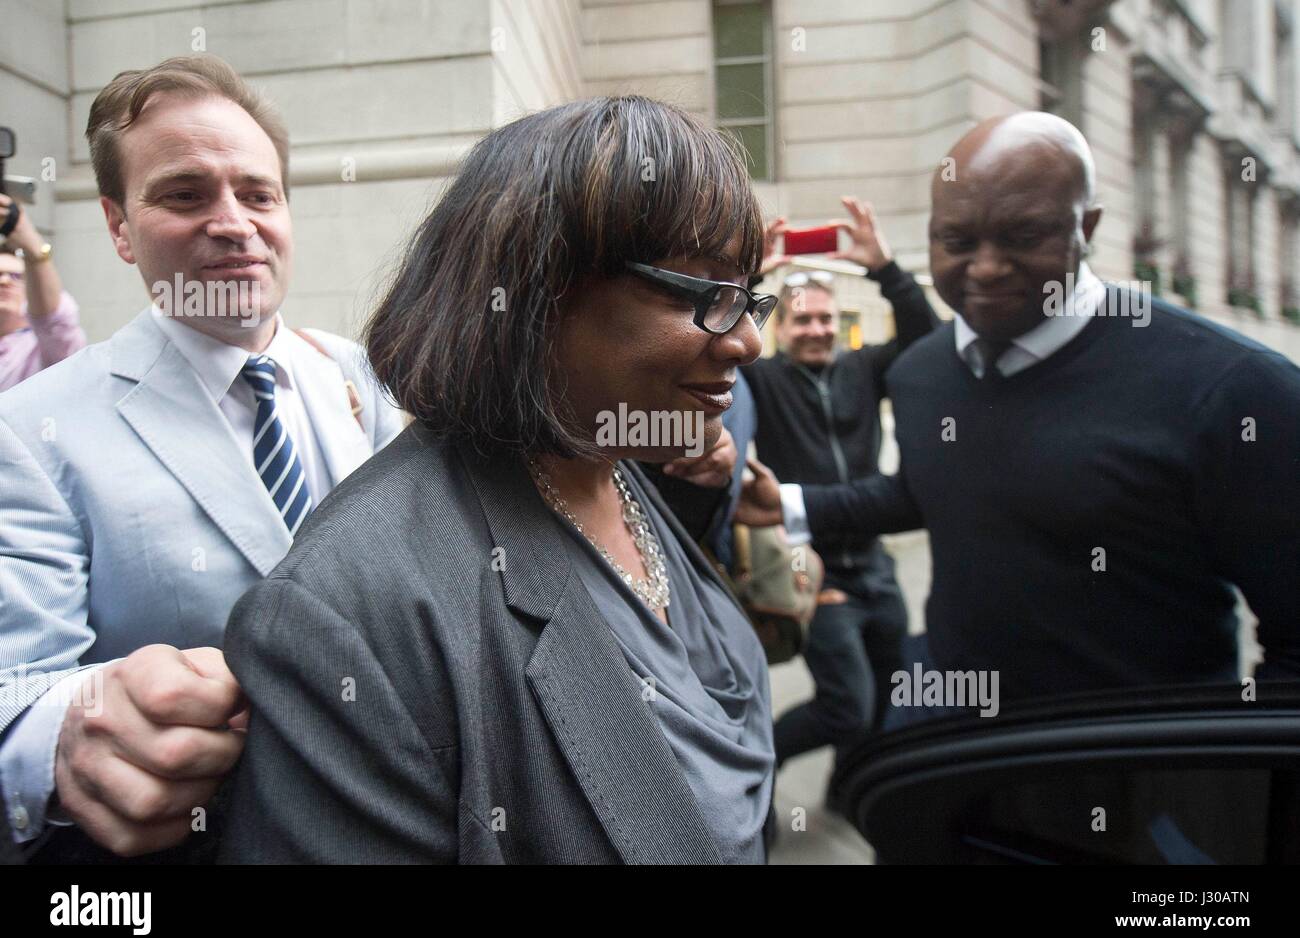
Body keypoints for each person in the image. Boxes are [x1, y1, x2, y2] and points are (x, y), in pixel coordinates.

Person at [219, 95, 778, 864]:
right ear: (538, 291)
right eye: (704, 294)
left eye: (749, 296)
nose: (747, 339)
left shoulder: (617, 470)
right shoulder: (350, 612)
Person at [740, 112, 1300, 713]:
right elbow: (929, 489)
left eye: (1023, 236)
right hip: (960, 751)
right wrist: (792, 505)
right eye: (957, 242)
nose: (986, 268)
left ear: (1086, 227)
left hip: (1150, 773)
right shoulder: (919, 373)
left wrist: (1235, 787)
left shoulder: (1236, 390)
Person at [0, 54, 405, 860]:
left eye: (259, 193)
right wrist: (73, 727)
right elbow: (17, 691)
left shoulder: (365, 378)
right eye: (185, 194)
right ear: (119, 227)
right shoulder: (27, 427)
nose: (233, 221)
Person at [741, 200, 936, 777]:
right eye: (802, 320)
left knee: (887, 698)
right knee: (848, 708)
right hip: (813, 571)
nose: (817, 330)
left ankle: (850, 794)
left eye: (825, 319)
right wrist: (754, 278)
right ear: (781, 327)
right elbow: (716, 340)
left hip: (877, 570)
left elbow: (926, 345)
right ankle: (754, 769)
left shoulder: (864, 368)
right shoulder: (764, 377)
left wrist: (886, 269)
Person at [0, 193, 86, 391]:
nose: (4, 281)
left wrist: (33, 250)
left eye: (15, 276)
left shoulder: (45, 348)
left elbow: (52, 321)